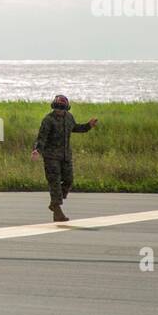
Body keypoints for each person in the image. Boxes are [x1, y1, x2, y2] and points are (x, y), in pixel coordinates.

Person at [31, 94, 98, 222]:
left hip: (65, 156)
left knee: (69, 180)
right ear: (53, 107)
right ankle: (57, 211)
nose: (59, 110)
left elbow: (76, 128)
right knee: (55, 183)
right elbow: (42, 138)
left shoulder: (69, 118)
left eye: (62, 108)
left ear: (66, 108)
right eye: (57, 107)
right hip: (51, 157)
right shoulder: (48, 120)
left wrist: (88, 125)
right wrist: (37, 150)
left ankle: (55, 203)